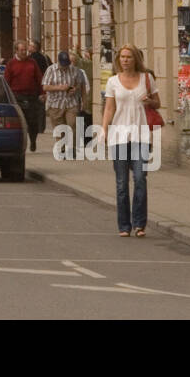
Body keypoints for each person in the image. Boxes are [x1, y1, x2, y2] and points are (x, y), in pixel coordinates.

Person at [100, 44, 158, 237]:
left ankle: (139, 224)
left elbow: (157, 102)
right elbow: (109, 108)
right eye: (122, 57)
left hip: (141, 135)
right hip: (119, 136)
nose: (125, 60)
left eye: (129, 57)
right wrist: (104, 129)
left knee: (140, 178)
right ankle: (124, 225)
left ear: (135, 59)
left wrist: (149, 102)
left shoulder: (146, 78)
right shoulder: (113, 82)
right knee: (121, 183)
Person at [5, 41, 45, 151]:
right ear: (16, 51)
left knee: (33, 122)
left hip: (31, 96)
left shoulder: (32, 63)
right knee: (19, 122)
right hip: (17, 97)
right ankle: (20, 143)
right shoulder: (11, 64)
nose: (24, 52)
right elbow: (7, 82)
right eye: (21, 50)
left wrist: (42, 93)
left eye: (25, 50)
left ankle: (33, 140)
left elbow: (39, 78)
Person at [42, 50, 89, 137]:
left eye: (66, 64)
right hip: (56, 104)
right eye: (63, 65)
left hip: (71, 103)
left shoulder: (74, 70)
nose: (65, 67)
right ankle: (62, 148)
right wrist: (59, 87)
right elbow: (45, 87)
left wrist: (75, 89)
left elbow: (80, 84)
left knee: (72, 125)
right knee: (60, 131)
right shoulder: (51, 70)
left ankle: (72, 148)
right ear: (58, 61)